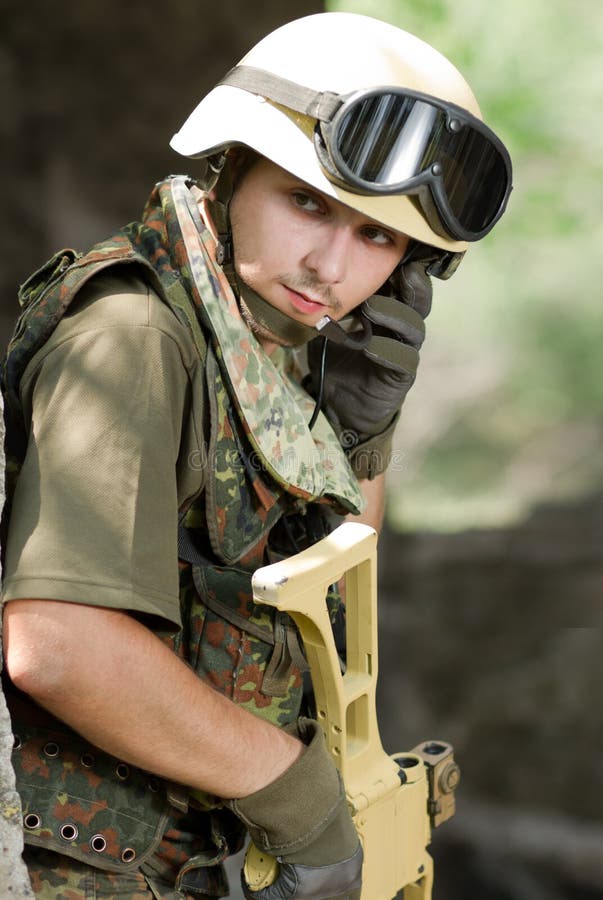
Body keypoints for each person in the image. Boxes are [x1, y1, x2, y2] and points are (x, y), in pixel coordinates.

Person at [0, 11, 512, 900]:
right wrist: (301, 800)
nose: (329, 266)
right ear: (231, 166)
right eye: (307, 204)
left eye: (377, 238)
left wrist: (359, 437)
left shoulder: (268, 339)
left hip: (194, 850)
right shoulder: (135, 335)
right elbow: (59, 643)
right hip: (85, 863)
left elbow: (332, 603)